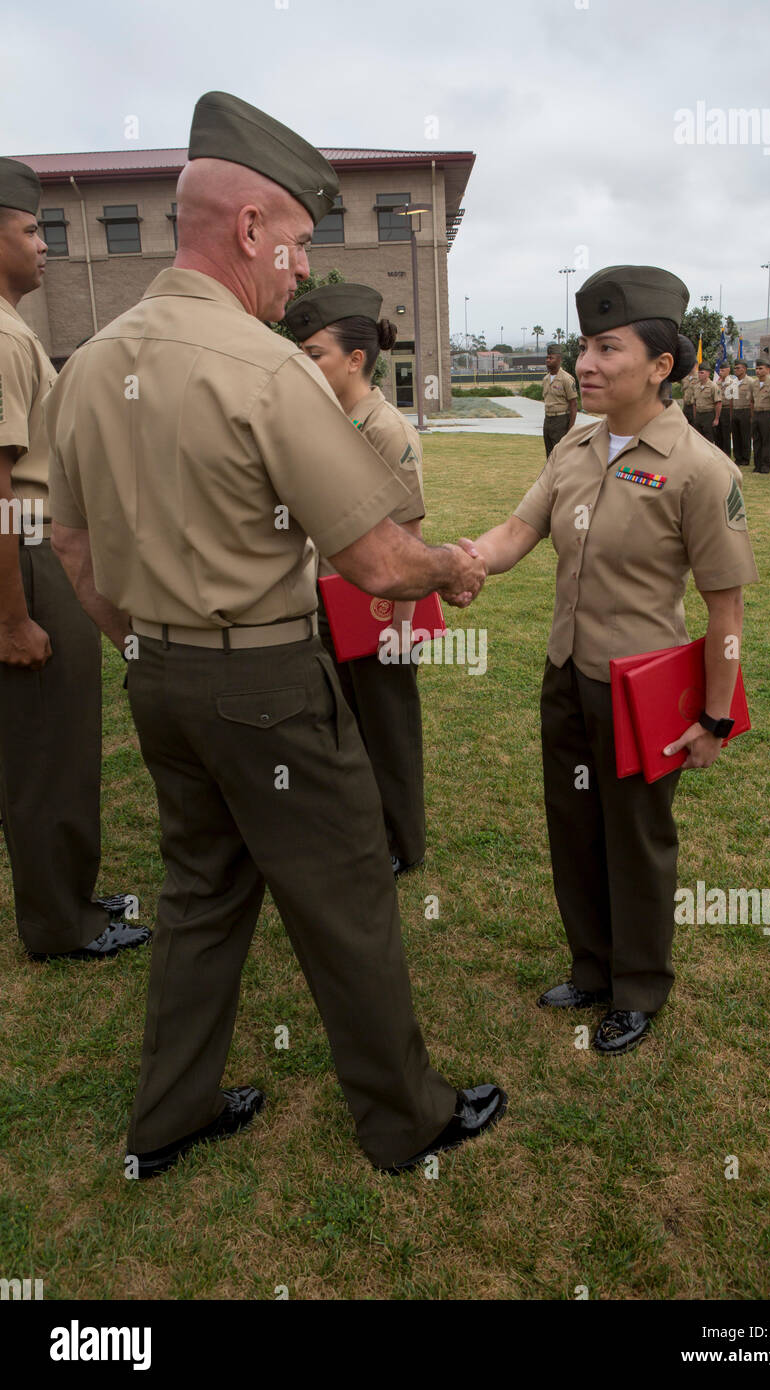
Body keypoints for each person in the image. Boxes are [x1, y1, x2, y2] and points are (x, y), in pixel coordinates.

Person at [45, 91, 505, 1177]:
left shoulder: (88, 364)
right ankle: (404, 1117)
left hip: (157, 676)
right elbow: (379, 560)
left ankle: (169, 1115)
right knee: (346, 892)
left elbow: (67, 546)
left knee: (201, 894)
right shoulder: (266, 369)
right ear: (248, 229)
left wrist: (140, 639)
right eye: (297, 243)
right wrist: (452, 566)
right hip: (264, 682)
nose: (302, 270)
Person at [460, 266, 759, 1054]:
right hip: (568, 675)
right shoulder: (575, 446)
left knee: (636, 838)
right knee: (575, 827)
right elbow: (516, 533)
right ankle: (591, 968)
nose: (585, 361)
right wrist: (455, 565)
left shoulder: (700, 468)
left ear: (661, 365)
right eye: (584, 345)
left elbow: (724, 607)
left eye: (607, 347)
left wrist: (715, 718)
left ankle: (638, 986)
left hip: (640, 691)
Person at [0, 156, 150, 962]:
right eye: (30, 229)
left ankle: (70, 895)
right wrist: (15, 614)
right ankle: (62, 922)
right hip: (23, 553)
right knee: (47, 746)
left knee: (53, 741)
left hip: (30, 549)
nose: (43, 244)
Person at [284, 282, 426, 877]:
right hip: (321, 600)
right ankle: (355, 829)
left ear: (356, 359)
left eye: (313, 353)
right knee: (338, 726)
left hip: (372, 608)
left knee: (386, 730)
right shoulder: (325, 419)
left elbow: (410, 532)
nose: (304, 365)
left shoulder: (385, 429)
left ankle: (401, 842)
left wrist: (400, 627)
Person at [542, 342, 578, 456]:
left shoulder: (566, 379)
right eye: (547, 358)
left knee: (560, 455)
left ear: (559, 359)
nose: (548, 360)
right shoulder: (546, 379)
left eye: (551, 358)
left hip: (561, 420)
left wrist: (570, 429)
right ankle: (551, 474)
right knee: (550, 455)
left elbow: (573, 404)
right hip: (548, 420)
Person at [750, 362, 770, 474]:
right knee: (756, 441)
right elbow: (751, 401)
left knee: (766, 442)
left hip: (767, 414)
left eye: (761, 368)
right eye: (757, 368)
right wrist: (752, 416)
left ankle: (765, 466)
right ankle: (757, 465)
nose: (758, 371)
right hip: (757, 414)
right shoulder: (754, 384)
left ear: (768, 370)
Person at [730, 361, 753, 468]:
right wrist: (731, 412)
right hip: (735, 410)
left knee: (745, 436)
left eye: (738, 368)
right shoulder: (733, 382)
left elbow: (753, 399)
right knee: (736, 436)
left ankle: (745, 458)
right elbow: (731, 398)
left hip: (745, 410)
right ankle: (738, 457)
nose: (736, 370)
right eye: (735, 368)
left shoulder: (750, 382)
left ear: (744, 369)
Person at [692, 363, 721, 442]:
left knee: (709, 439)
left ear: (708, 373)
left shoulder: (713, 386)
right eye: (698, 372)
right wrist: (695, 417)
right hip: (698, 415)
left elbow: (718, 403)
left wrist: (716, 419)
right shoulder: (696, 387)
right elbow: (694, 403)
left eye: (702, 373)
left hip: (708, 415)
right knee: (698, 439)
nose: (699, 374)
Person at [714, 362, 734, 457]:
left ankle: (727, 454)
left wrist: (731, 414)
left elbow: (732, 400)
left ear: (728, 370)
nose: (720, 372)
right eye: (720, 370)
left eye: (723, 370)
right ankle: (719, 453)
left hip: (726, 409)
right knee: (717, 433)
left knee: (726, 434)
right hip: (718, 410)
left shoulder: (731, 383)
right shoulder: (717, 383)